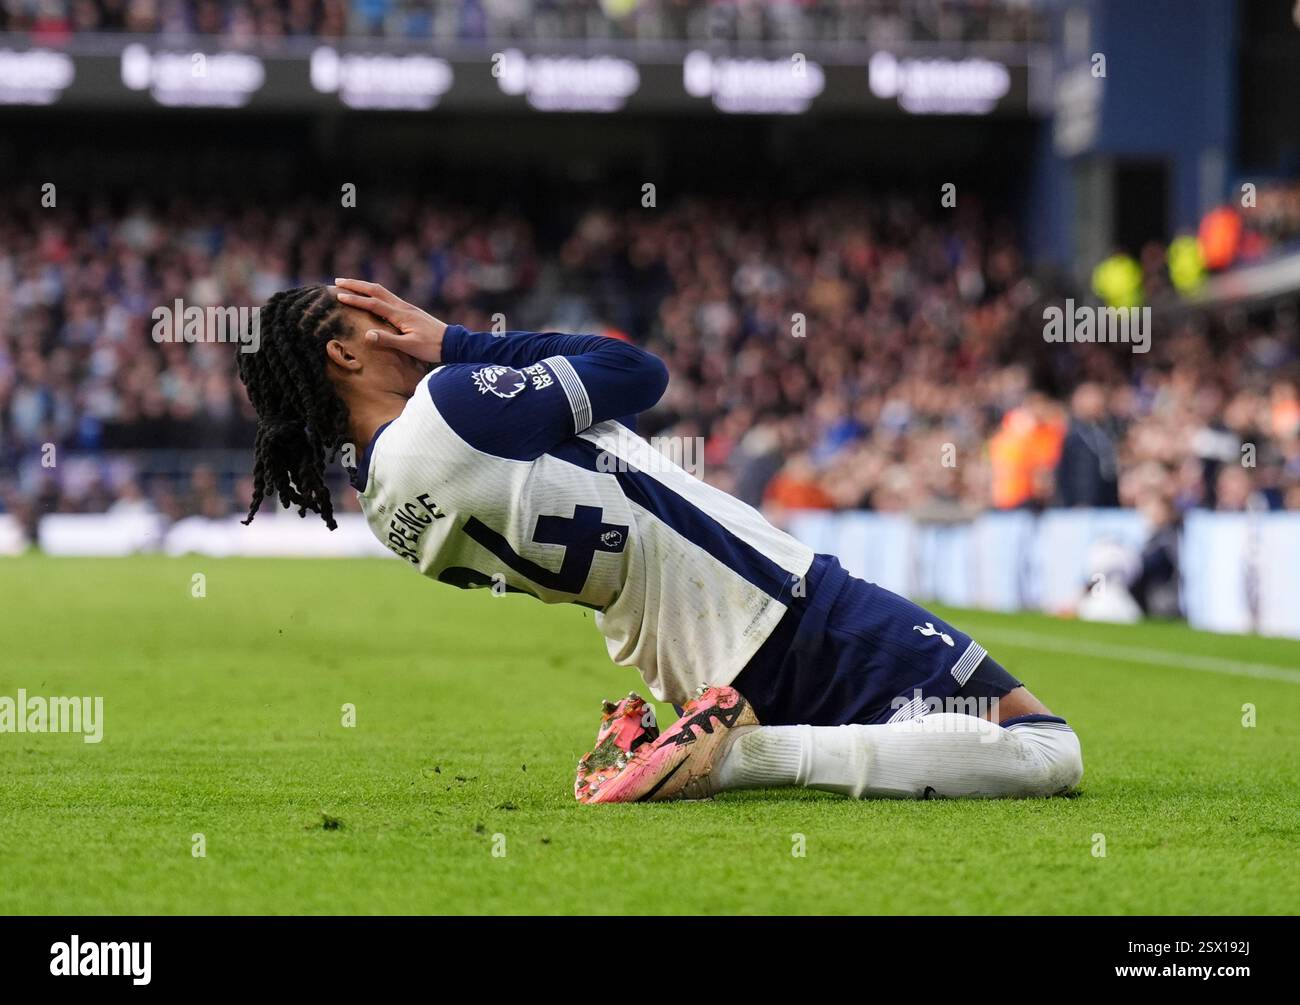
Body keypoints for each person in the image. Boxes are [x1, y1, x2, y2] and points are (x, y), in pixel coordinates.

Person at [235, 280, 1083, 803]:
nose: (399, 319)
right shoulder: (453, 403)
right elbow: (637, 372)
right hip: (778, 603)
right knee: (1048, 747)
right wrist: (458, 343)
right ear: (344, 353)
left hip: (683, 661)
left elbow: (583, 451)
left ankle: (718, 740)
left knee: (952, 741)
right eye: (374, 314)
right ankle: (747, 755)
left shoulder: (387, 507)